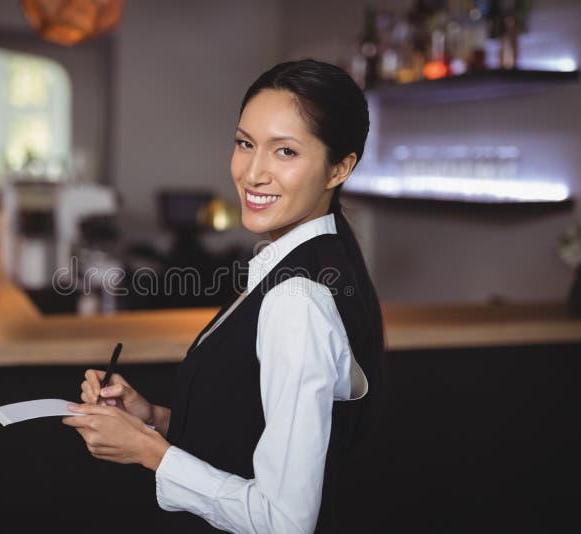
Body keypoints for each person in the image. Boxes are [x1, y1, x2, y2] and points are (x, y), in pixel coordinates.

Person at [63, 58, 386, 534]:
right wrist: (152, 419)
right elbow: (251, 432)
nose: (253, 173)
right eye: (245, 143)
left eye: (286, 152)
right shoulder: (300, 266)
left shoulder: (297, 301)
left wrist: (149, 451)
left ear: (339, 168)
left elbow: (284, 521)